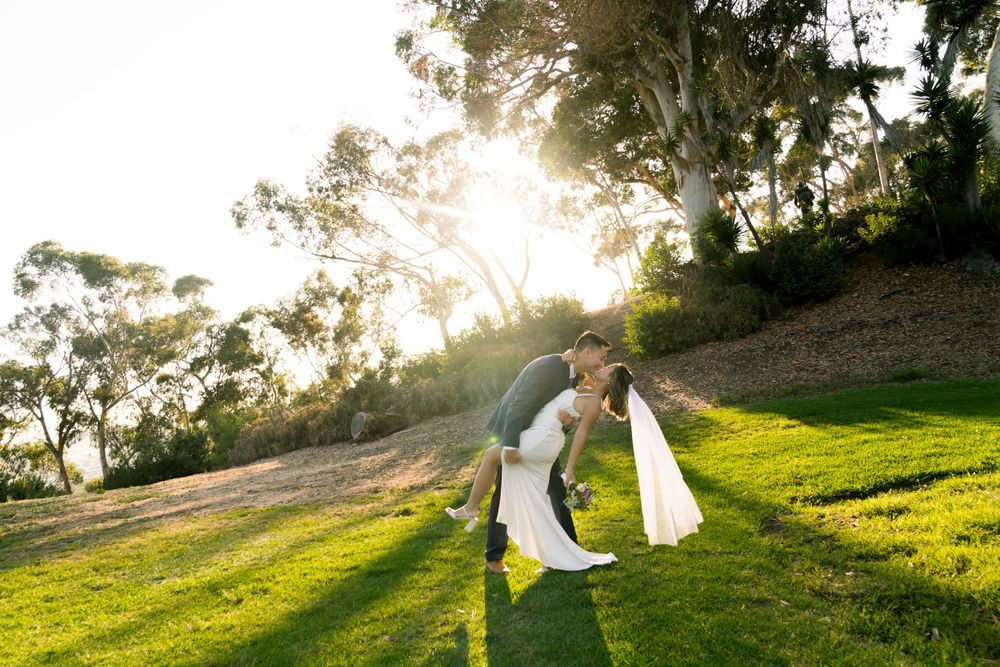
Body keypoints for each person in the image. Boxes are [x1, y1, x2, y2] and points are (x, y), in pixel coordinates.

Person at [446, 331, 610, 574]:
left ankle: (565, 551)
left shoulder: (570, 375)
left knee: (555, 490)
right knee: (505, 490)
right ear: (587, 352)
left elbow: (560, 407)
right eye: (602, 356)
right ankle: (494, 558)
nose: (602, 363)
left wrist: (565, 421)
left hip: (539, 438)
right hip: (517, 431)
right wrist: (511, 444)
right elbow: (518, 405)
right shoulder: (548, 367)